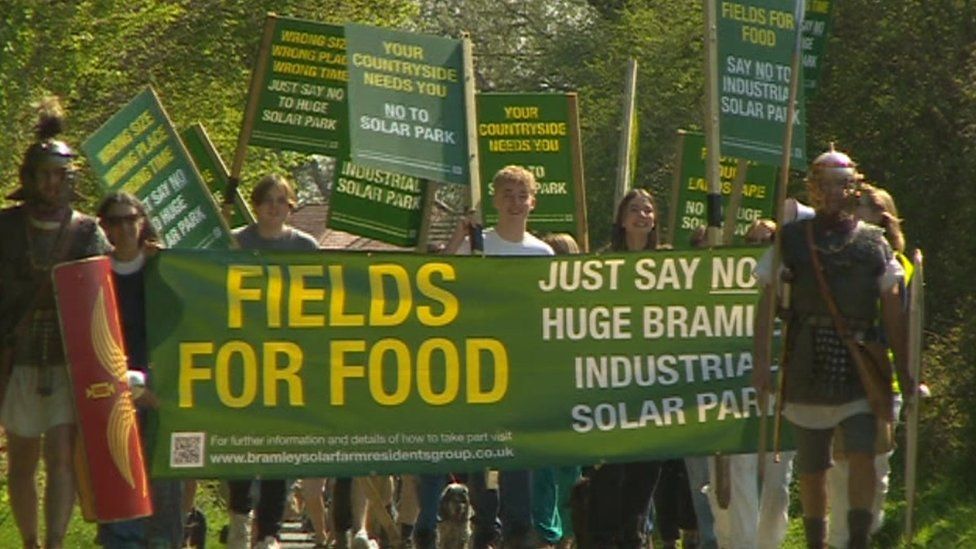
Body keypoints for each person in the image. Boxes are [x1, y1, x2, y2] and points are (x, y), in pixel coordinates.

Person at [752, 146, 913, 549]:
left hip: (860, 358)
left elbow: (893, 310)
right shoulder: (791, 240)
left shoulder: (874, 244)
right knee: (812, 467)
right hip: (806, 358)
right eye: (823, 186)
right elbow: (766, 302)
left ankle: (857, 539)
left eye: (840, 185)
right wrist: (761, 363)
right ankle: (816, 542)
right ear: (814, 189)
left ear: (853, 188)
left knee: (862, 454)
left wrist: (907, 371)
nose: (832, 194)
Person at [0, 96, 111, 549]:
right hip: (17, 357)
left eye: (59, 175)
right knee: (23, 460)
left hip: (69, 359)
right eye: (45, 174)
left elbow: (104, 295)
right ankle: (29, 542)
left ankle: (56, 543)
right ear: (31, 177)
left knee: (62, 455)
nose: (52, 182)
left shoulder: (87, 232)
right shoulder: (6, 228)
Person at [446, 165, 555, 549]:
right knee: (483, 452)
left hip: (523, 371)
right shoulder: (478, 246)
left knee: (518, 456)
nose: (514, 202)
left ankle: (517, 529)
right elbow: (438, 280)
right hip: (479, 366)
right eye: (507, 194)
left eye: (521, 195)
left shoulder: (542, 253)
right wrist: (457, 239)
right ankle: (483, 521)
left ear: (532, 202)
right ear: (494, 199)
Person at [227, 174, 319, 549]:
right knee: (241, 442)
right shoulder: (234, 241)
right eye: (267, 199)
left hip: (288, 362)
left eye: (281, 200)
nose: (274, 206)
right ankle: (238, 517)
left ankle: (268, 533)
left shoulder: (307, 247)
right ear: (256, 203)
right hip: (243, 356)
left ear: (292, 205)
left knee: (281, 447)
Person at [95, 191, 185, 547]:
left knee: (163, 485)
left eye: (131, 218)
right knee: (119, 481)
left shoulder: (162, 270)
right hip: (109, 393)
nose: (125, 227)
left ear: (142, 222)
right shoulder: (93, 272)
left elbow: (182, 326)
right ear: (105, 227)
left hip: (159, 393)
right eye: (115, 221)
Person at [825, 183, 912, 548]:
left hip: (880, 376)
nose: (859, 210)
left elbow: (899, 319)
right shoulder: (830, 257)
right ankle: (840, 538)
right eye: (855, 205)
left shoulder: (899, 266)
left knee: (876, 468)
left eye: (869, 207)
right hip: (836, 375)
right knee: (841, 467)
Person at [585, 188, 663, 549]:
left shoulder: (669, 264)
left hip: (653, 385)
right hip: (611, 383)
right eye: (635, 209)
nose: (642, 215)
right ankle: (603, 534)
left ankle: (634, 533)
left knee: (646, 468)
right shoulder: (601, 264)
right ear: (621, 218)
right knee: (612, 469)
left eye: (648, 209)